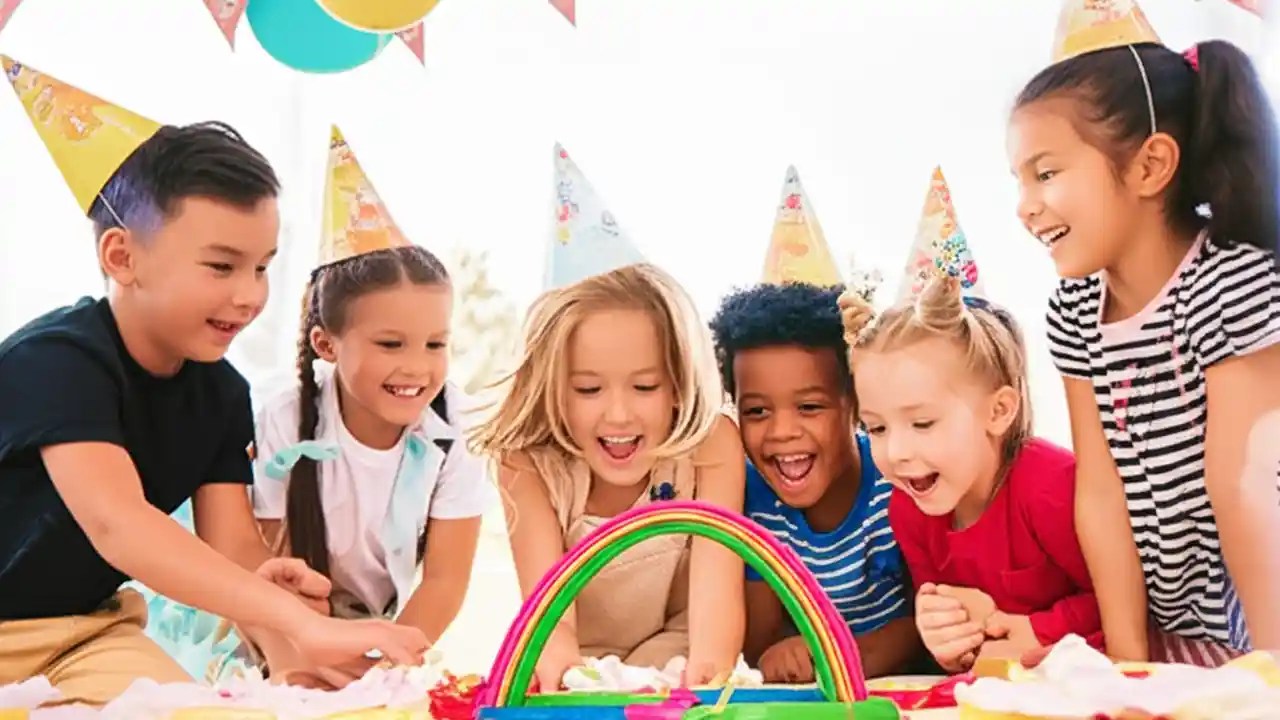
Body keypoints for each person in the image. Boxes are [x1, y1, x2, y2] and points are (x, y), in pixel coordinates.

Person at [0, 120, 427, 705]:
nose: (250, 295)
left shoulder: (223, 393)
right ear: (122, 256)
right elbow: (117, 524)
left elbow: (231, 545)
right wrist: (296, 620)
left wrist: (283, 626)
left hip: (85, 634)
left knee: (197, 713)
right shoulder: (56, 360)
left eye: (261, 267)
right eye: (222, 267)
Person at [1008, 16, 1280, 662]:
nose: (1024, 204)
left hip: (1259, 612)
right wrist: (1130, 665)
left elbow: (1244, 484)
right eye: (1017, 180)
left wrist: (1269, 671)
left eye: (1045, 174)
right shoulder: (1075, 311)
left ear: (1151, 165)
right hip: (1171, 634)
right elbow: (1099, 491)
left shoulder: (1231, 282)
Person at [249, 130, 490, 684]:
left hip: (382, 631)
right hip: (279, 629)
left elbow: (445, 583)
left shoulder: (455, 429)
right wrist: (306, 661)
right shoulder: (287, 420)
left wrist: (379, 672)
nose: (417, 367)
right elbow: (267, 567)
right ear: (327, 345)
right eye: (390, 344)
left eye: (435, 344)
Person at [470, 263, 746, 691]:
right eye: (588, 389)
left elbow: (715, 621)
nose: (618, 414)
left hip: (677, 658)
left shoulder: (710, 444)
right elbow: (550, 625)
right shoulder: (527, 462)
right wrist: (574, 685)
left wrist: (703, 690)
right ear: (554, 389)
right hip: (582, 666)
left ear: (677, 385)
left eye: (645, 387)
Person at [841, 276, 1100, 673]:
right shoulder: (908, 509)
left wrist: (1036, 630)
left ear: (998, 412)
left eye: (923, 423)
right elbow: (956, 654)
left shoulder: (1052, 487)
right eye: (876, 428)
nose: (896, 452)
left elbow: (1121, 600)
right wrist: (947, 638)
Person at [708, 282, 918, 682]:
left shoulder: (897, 483)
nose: (782, 431)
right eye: (756, 411)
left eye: (809, 407)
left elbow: (924, 622)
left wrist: (837, 657)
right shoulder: (751, 500)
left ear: (854, 403)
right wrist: (777, 656)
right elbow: (758, 643)